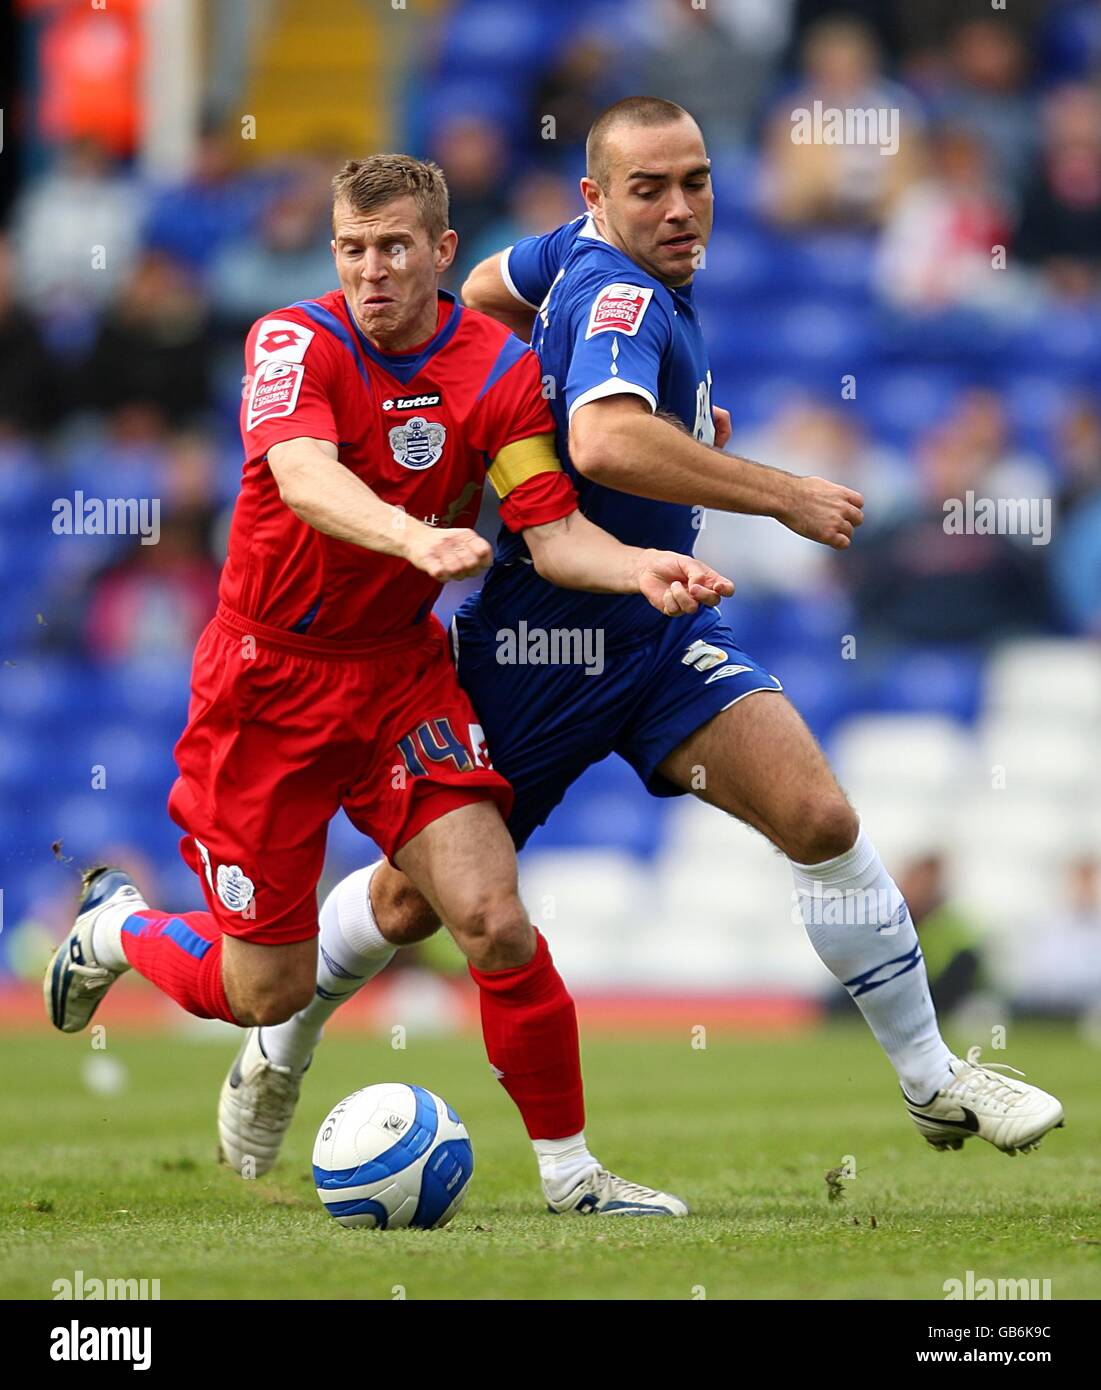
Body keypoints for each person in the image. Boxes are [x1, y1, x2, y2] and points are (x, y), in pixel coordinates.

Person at [238, 101, 1066, 1207]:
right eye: (649, 189)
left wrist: (543, 389)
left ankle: (933, 1079)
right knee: (410, 906)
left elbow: (479, 290)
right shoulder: (620, 293)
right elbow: (603, 438)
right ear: (597, 197)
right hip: (542, 645)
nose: (680, 209)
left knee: (819, 818)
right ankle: (278, 1048)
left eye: (697, 180)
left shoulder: (565, 255)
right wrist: (782, 493)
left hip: (660, 631)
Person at [43, 153, 733, 1219]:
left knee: (492, 915)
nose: (372, 271)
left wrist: (638, 566)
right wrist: (415, 536)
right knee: (260, 987)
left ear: (443, 252)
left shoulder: (497, 373)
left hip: (399, 679)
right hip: (264, 683)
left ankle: (573, 1176)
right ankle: (118, 926)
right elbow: (302, 475)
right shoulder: (291, 340)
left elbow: (550, 531)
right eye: (354, 249)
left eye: (396, 248)